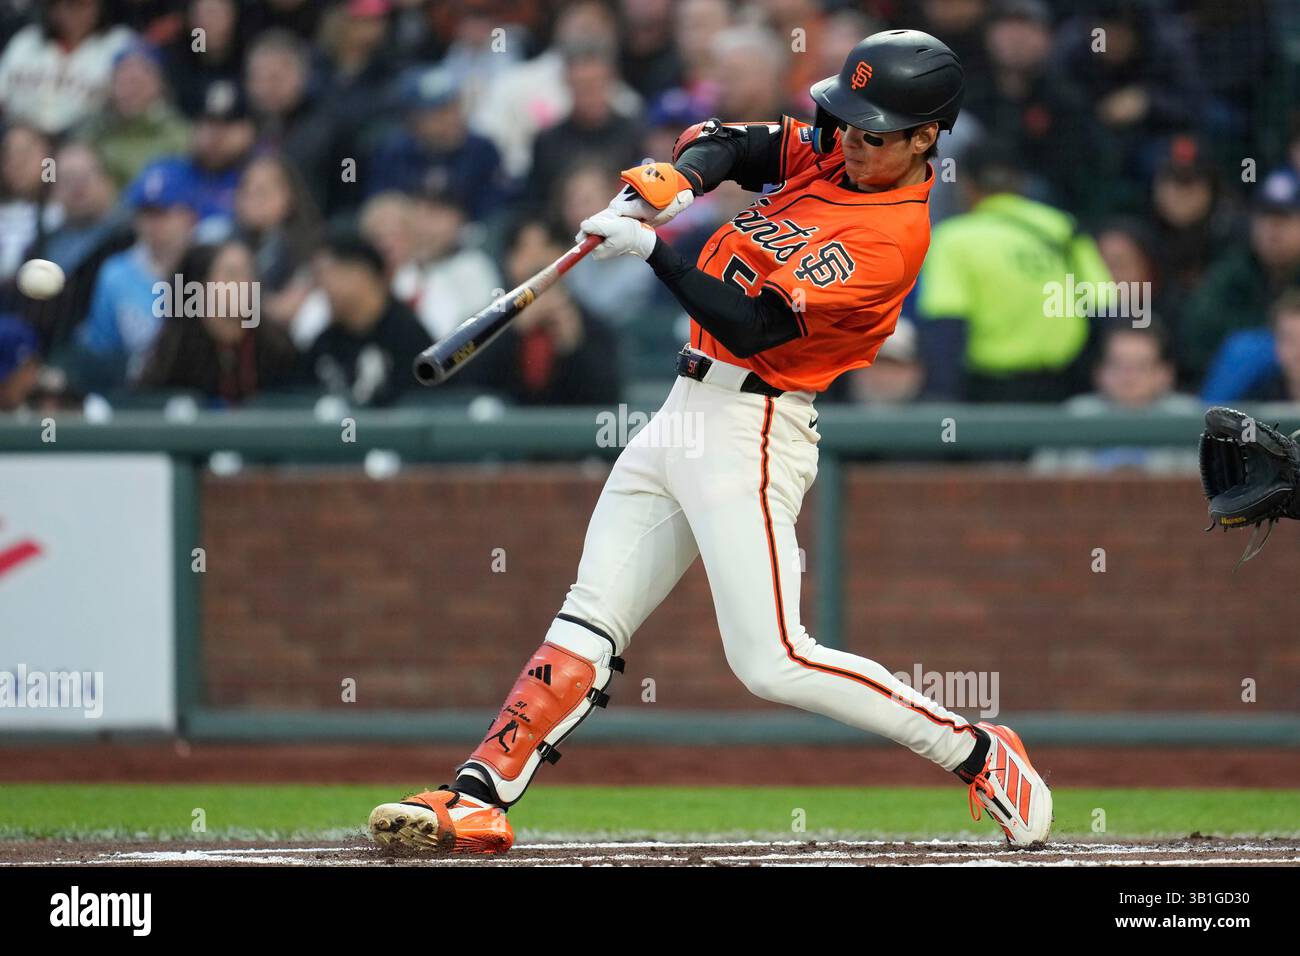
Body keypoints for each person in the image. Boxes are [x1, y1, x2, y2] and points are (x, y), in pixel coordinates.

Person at [368, 30, 1052, 855]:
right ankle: (479, 794)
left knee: (772, 661)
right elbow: (732, 143)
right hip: (682, 409)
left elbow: (755, 325)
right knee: (590, 614)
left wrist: (655, 247)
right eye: (846, 122)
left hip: (755, 425)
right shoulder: (835, 154)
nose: (850, 141)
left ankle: (979, 752)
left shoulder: (893, 235)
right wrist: (673, 182)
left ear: (925, 139)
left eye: (874, 133)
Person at [915, 140, 1112, 402]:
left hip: (991, 394)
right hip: (1065, 391)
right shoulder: (1064, 228)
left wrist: (941, 401)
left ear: (966, 185)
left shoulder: (953, 240)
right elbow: (1107, 310)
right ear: (1021, 181)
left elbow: (946, 330)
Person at [137, 239, 299, 405]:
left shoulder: (278, 349)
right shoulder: (175, 353)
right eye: (232, 275)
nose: (245, 283)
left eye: (249, 273)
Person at [301, 229, 432, 407]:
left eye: (328, 274)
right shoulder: (325, 343)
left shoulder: (407, 336)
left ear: (361, 274)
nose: (322, 286)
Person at [0, 0, 134, 135]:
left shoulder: (119, 42)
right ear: (53, 9)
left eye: (83, 5)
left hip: (88, 139)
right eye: (69, 5)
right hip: (21, 134)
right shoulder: (27, 41)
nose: (76, 13)